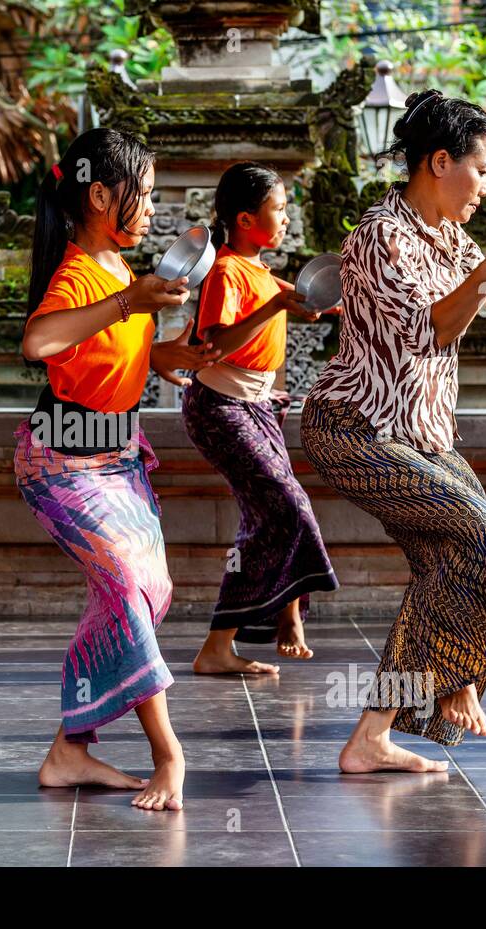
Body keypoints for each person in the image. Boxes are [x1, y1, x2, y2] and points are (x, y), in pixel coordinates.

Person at [296, 91, 486, 772]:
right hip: (353, 429)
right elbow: (431, 330)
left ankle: (376, 733)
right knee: (475, 532)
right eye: (481, 169)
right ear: (440, 161)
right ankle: (452, 682)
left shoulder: (451, 235)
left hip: (419, 437)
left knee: (455, 560)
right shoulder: (379, 237)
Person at [17, 127, 218, 810]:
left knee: (143, 592)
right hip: (59, 458)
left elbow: (116, 358)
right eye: (146, 195)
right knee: (127, 586)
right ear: (102, 195)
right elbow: (39, 341)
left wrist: (174, 358)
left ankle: (70, 749)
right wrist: (132, 303)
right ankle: (169, 754)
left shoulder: (121, 276)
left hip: (117, 458)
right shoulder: (79, 275)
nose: (153, 210)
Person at [181, 162, 338, 676]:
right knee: (287, 506)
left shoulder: (261, 273)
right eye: (280, 209)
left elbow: (305, 300)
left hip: (259, 408)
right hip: (220, 408)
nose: (287, 219)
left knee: (274, 512)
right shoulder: (227, 271)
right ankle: (261, 629)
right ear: (247, 219)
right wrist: (274, 306)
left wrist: (328, 302)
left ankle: (257, 629)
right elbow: (211, 345)